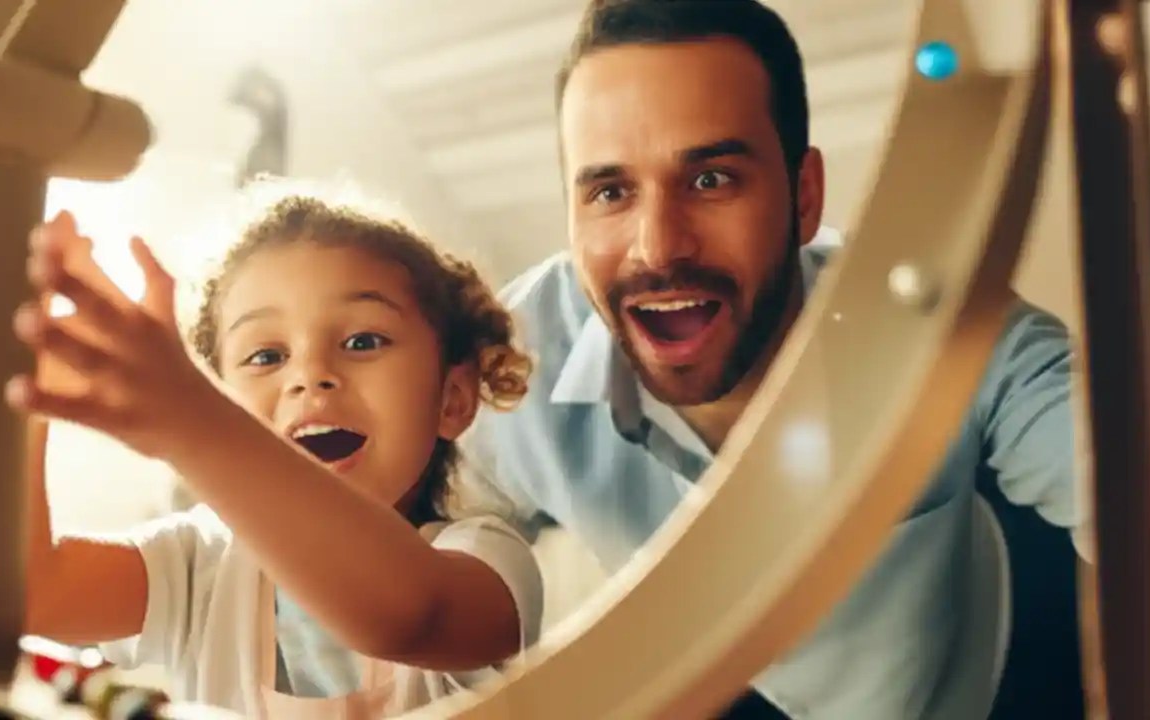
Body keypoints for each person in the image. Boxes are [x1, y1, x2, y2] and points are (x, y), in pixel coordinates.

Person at [460, 1, 1085, 718]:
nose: (658, 247)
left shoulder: (936, 315)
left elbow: (1113, 462)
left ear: (804, 196)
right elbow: (432, 515)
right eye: (610, 192)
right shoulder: (515, 355)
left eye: (711, 180)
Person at [13, 196, 543, 717]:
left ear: (452, 400)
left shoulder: (489, 559)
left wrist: (194, 423)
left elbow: (408, 618)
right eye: (266, 355)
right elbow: (35, 594)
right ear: (221, 390)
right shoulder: (196, 562)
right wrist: (21, 388)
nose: (309, 375)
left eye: (362, 341)